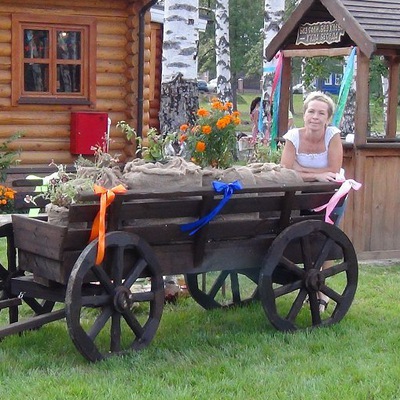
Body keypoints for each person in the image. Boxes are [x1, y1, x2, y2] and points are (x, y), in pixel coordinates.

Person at [280, 91, 343, 312]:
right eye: (311, 111)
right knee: (302, 237)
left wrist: (300, 170)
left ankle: (321, 291)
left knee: (326, 239)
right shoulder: (293, 137)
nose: (315, 117)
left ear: (328, 118)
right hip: (299, 197)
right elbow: (285, 171)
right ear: (304, 114)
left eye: (321, 113)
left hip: (329, 195)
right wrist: (316, 175)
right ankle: (310, 281)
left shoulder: (332, 135)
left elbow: (333, 171)